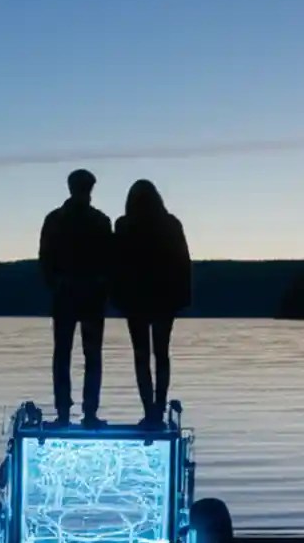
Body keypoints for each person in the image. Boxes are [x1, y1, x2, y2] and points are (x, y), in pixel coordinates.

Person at [112, 179, 191, 428]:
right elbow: (183, 263)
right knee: (161, 355)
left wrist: (116, 297)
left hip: (135, 300)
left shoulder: (124, 225)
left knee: (142, 356)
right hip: (164, 298)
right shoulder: (170, 224)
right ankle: (158, 406)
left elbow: (117, 265)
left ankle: (150, 411)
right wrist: (183, 295)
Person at [38, 169, 113, 428]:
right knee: (82, 356)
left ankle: (71, 413)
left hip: (76, 296)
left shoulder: (58, 219)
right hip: (78, 296)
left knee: (70, 356)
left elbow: (46, 259)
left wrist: (57, 283)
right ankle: (80, 413)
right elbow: (46, 260)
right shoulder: (98, 221)